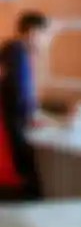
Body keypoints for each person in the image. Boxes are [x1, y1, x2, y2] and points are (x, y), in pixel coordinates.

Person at [0, 11, 49, 199]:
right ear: (33, 32)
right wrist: (36, 116)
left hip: (11, 134)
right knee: (29, 191)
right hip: (10, 140)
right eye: (46, 34)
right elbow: (20, 100)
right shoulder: (15, 52)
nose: (47, 41)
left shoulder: (13, 52)